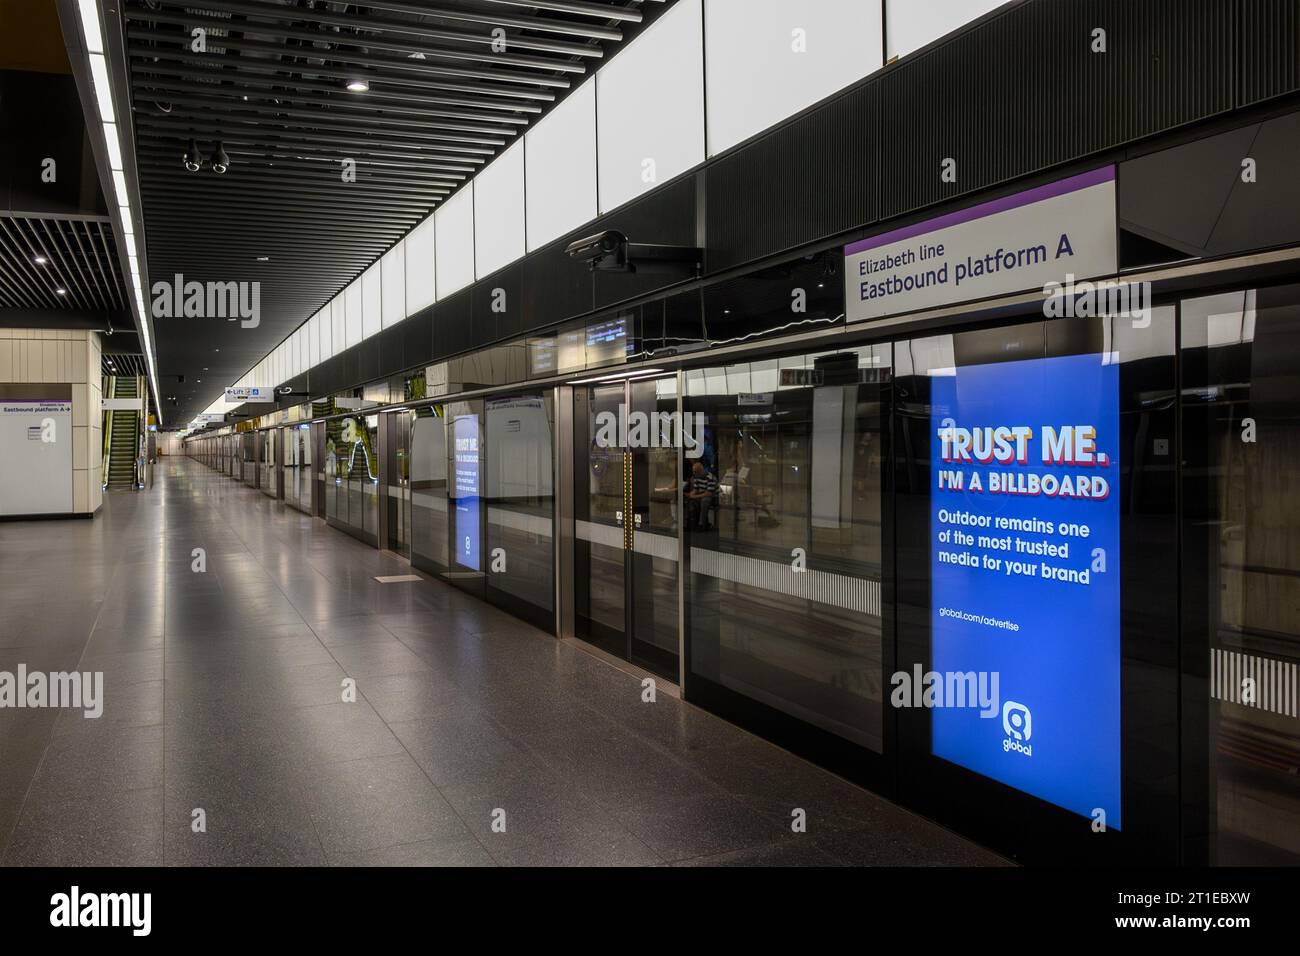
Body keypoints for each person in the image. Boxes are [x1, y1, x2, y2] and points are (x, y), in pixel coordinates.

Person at [686, 460, 718, 531]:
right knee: (690, 501)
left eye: (695, 471)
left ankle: (701, 524)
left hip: (713, 496)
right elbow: (696, 489)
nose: (694, 473)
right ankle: (689, 523)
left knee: (705, 501)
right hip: (702, 494)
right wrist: (690, 494)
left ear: (701, 471)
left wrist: (694, 496)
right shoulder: (697, 476)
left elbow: (709, 493)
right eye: (693, 471)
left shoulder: (710, 478)